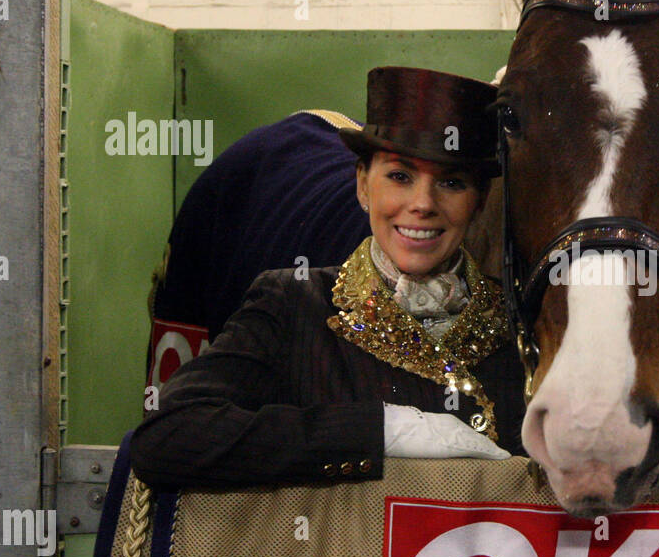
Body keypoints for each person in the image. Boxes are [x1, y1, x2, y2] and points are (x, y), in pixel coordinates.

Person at [130, 66, 526, 491]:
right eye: (399, 176)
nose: (422, 204)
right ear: (362, 185)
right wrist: (380, 430)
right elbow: (165, 438)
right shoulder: (291, 302)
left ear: (481, 200)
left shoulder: (520, 324)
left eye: (451, 182)